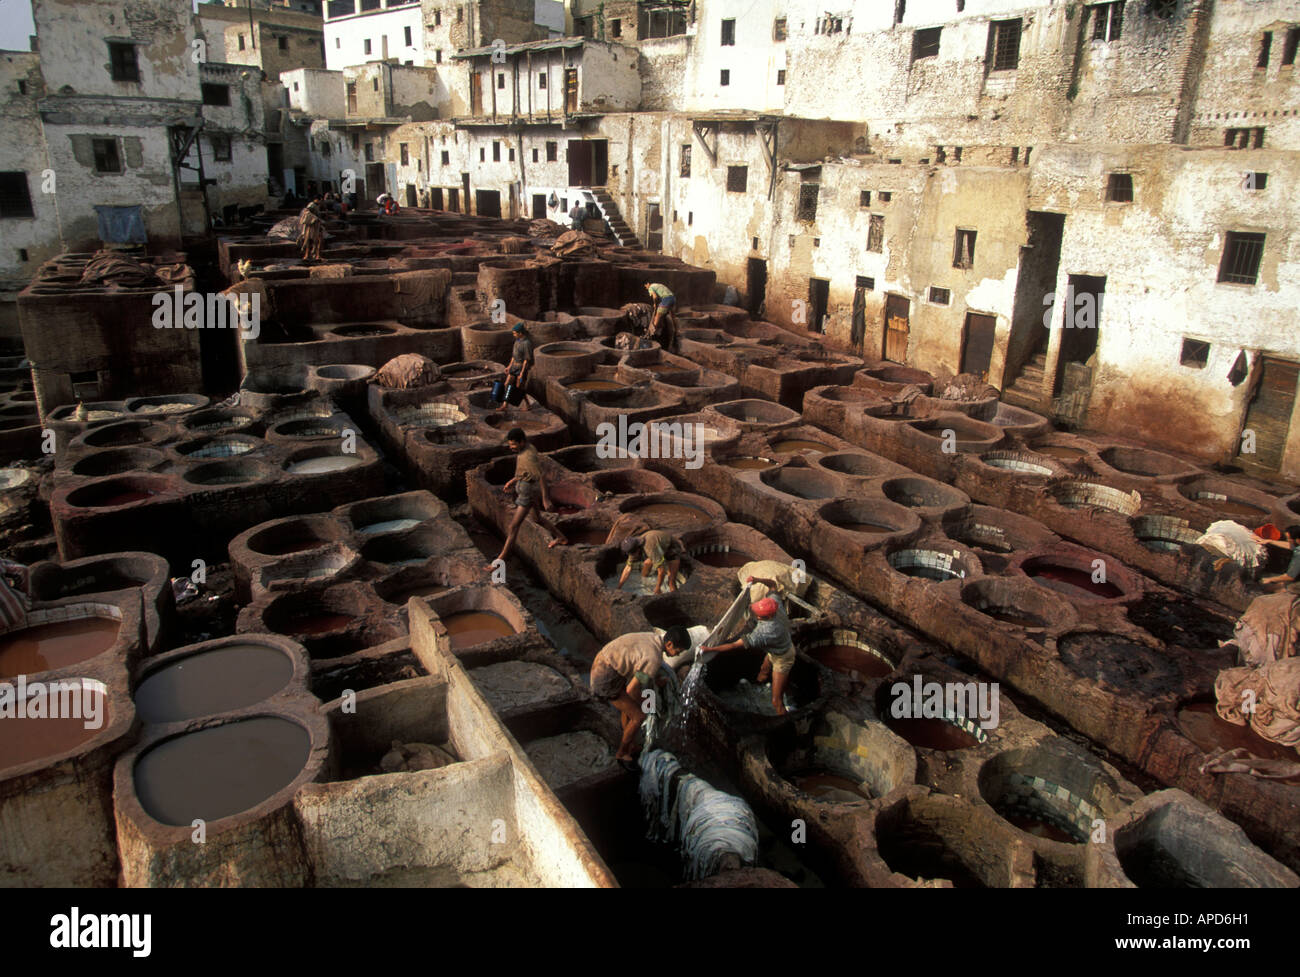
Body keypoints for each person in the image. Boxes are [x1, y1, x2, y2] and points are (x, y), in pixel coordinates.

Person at [590, 626, 692, 765]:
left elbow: (640, 672)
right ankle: (622, 752)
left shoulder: (653, 639)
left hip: (604, 663)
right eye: (678, 651)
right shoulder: (654, 658)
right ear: (669, 644)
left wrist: (655, 682)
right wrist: (648, 702)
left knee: (631, 708)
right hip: (605, 678)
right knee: (639, 716)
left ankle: (629, 742)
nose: (677, 655)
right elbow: (632, 690)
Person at [700, 589, 795, 716]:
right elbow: (772, 586)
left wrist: (711, 649)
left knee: (776, 701)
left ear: (764, 617)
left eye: (757, 614)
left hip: (783, 658)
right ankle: (761, 688)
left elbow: (734, 645)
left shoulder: (765, 632)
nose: (755, 614)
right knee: (763, 672)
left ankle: (788, 725)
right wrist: (756, 579)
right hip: (779, 648)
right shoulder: (775, 603)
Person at [485, 427, 568, 571]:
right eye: (510, 444)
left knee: (513, 527)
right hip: (526, 491)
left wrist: (545, 498)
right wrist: (512, 481)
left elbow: (540, 476)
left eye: (513, 445)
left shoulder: (528, 455)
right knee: (537, 519)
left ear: (522, 442)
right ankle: (561, 537)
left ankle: (500, 560)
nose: (511, 447)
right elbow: (524, 472)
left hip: (527, 495)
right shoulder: (525, 450)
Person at [617, 530, 684, 595]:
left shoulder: (649, 548)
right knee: (646, 564)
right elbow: (627, 569)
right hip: (658, 548)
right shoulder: (633, 545)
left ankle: (674, 599)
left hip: (671, 548)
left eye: (633, 554)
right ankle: (644, 580)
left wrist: (658, 588)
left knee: (671, 581)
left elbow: (661, 570)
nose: (632, 556)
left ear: (637, 549)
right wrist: (619, 588)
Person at [493, 322, 535, 412]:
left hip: (521, 368)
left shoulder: (526, 343)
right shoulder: (517, 341)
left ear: (520, 333)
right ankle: (505, 405)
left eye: (515, 333)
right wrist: (509, 366)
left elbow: (526, 360)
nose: (514, 334)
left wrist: (522, 373)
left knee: (518, 388)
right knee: (507, 384)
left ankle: (528, 405)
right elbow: (513, 356)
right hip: (514, 367)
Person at [644, 282, 678, 353]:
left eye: (645, 286)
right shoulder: (657, 284)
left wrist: (655, 304)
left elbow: (655, 297)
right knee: (673, 317)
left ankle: (652, 337)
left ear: (647, 284)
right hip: (672, 298)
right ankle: (676, 332)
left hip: (666, 300)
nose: (646, 287)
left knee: (657, 317)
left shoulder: (651, 288)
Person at [297, 198, 324, 262]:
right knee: (309, 240)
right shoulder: (311, 206)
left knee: (318, 240)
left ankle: (317, 255)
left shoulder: (316, 206)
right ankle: (307, 255)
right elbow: (308, 214)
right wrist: (315, 219)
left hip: (316, 225)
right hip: (310, 226)